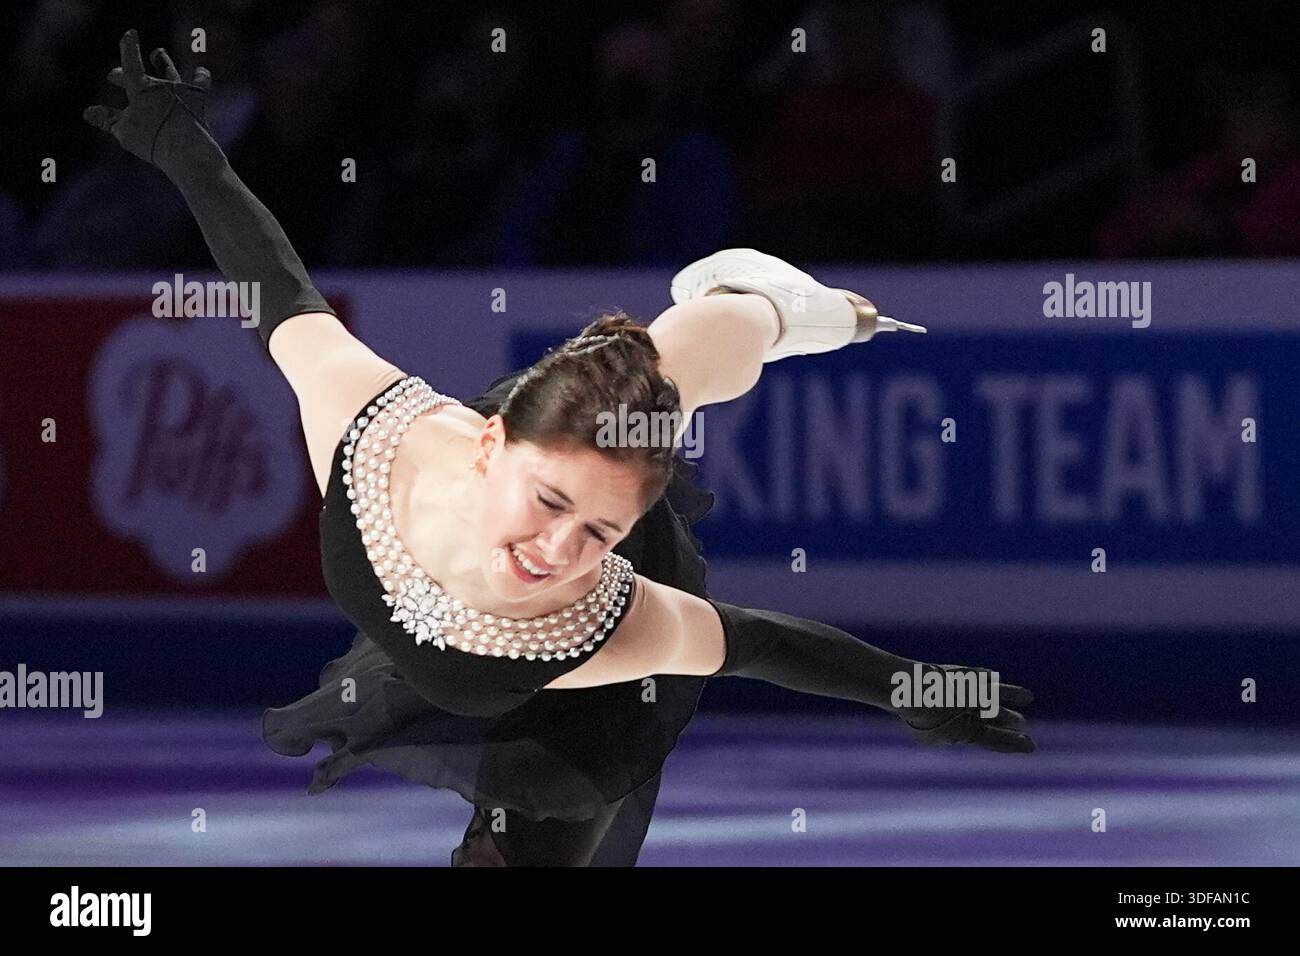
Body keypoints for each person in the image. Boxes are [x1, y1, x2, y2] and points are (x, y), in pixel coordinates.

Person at [83, 31, 1036, 867]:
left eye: (599, 530)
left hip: (572, 648)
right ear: (490, 446)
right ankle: (772, 308)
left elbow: (756, 642)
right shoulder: (377, 442)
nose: (560, 550)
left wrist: (909, 686)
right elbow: (277, 289)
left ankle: (789, 310)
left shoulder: (607, 614)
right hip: (513, 453)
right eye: (551, 509)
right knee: (668, 355)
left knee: (691, 362)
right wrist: (179, 144)